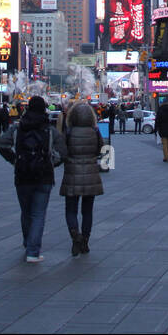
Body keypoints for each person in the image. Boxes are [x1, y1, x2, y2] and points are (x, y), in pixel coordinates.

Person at [0, 97, 66, 262]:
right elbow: (63, 151)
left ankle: (28, 242)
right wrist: (52, 163)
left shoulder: (17, 128)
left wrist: (14, 160)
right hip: (44, 176)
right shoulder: (49, 130)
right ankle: (33, 251)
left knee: (26, 212)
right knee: (38, 214)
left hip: (22, 175)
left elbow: (1, 144)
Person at [60, 102, 104, 257]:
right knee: (87, 211)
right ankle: (85, 240)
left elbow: (63, 150)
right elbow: (101, 149)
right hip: (91, 174)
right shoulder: (94, 131)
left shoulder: (69, 131)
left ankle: (75, 237)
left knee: (70, 210)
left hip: (72, 173)